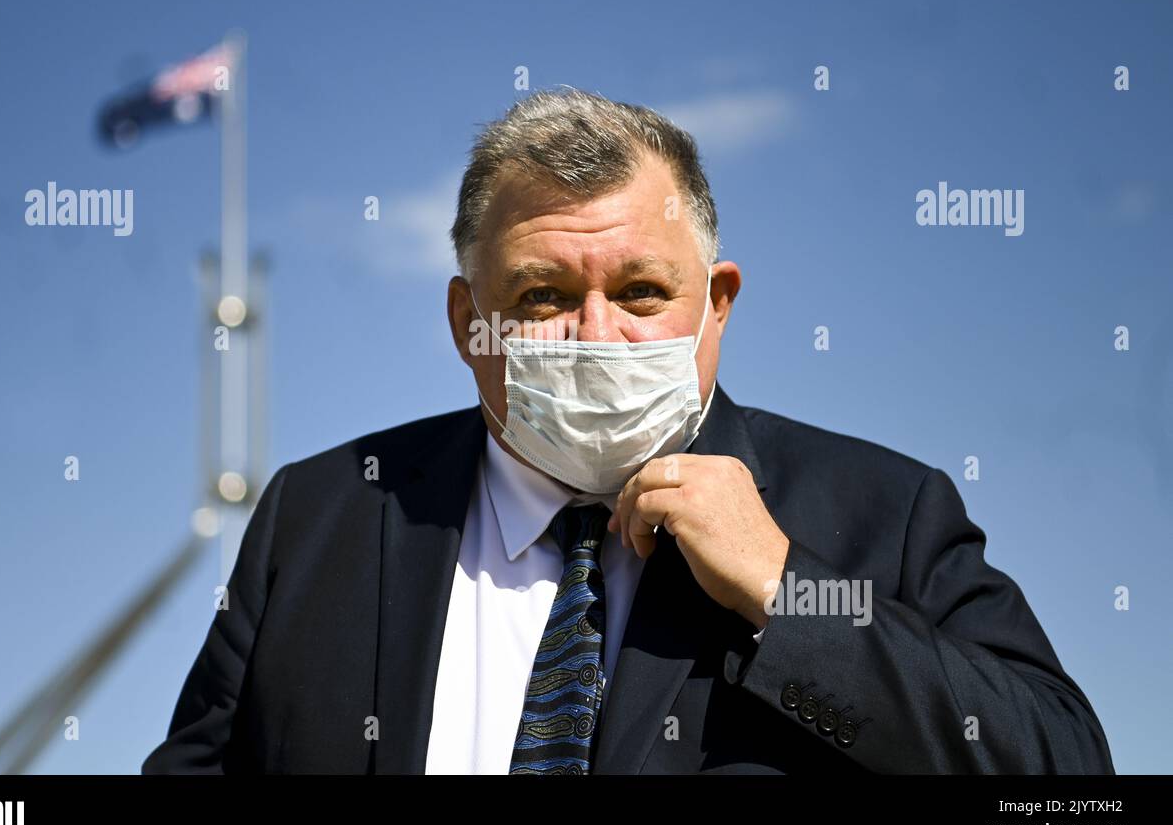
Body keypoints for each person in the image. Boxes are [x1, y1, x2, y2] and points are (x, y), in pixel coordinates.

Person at [142, 88, 1114, 774]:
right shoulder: (320, 522)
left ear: (716, 303)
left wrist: (791, 591)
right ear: (464, 320)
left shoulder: (880, 515)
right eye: (543, 293)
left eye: (643, 290)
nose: (595, 331)